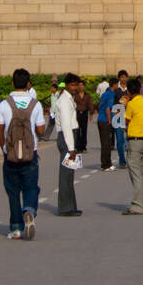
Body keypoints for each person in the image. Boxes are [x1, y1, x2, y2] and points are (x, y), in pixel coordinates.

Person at [0, 67, 45, 240]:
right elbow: (40, 129)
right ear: (28, 84)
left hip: (10, 155)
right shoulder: (35, 104)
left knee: (13, 191)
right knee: (31, 187)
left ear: (12, 83)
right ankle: (29, 210)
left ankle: (16, 228)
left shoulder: (4, 104)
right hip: (30, 154)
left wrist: (4, 148)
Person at [121, 78, 143, 215]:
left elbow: (126, 121)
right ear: (140, 89)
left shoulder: (131, 105)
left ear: (128, 91)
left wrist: (125, 105)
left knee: (136, 174)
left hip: (134, 141)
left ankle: (137, 205)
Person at [55, 74, 83, 217]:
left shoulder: (69, 99)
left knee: (70, 173)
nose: (75, 87)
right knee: (66, 173)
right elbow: (66, 125)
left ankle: (71, 206)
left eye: (76, 84)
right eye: (72, 85)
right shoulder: (64, 100)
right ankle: (65, 207)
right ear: (66, 85)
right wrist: (71, 148)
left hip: (71, 136)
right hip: (67, 138)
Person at [97, 77, 116, 171]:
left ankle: (107, 163)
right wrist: (110, 121)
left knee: (105, 143)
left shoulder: (104, 94)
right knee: (106, 143)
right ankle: (105, 164)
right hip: (105, 121)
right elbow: (108, 109)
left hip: (100, 120)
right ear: (115, 85)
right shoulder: (110, 94)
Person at [74, 79, 93, 152]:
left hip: (84, 114)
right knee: (77, 131)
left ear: (84, 86)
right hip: (77, 114)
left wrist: (91, 113)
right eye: (79, 85)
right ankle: (77, 147)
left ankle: (83, 147)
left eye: (82, 85)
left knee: (84, 131)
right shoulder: (75, 95)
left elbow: (90, 104)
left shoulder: (87, 95)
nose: (80, 87)